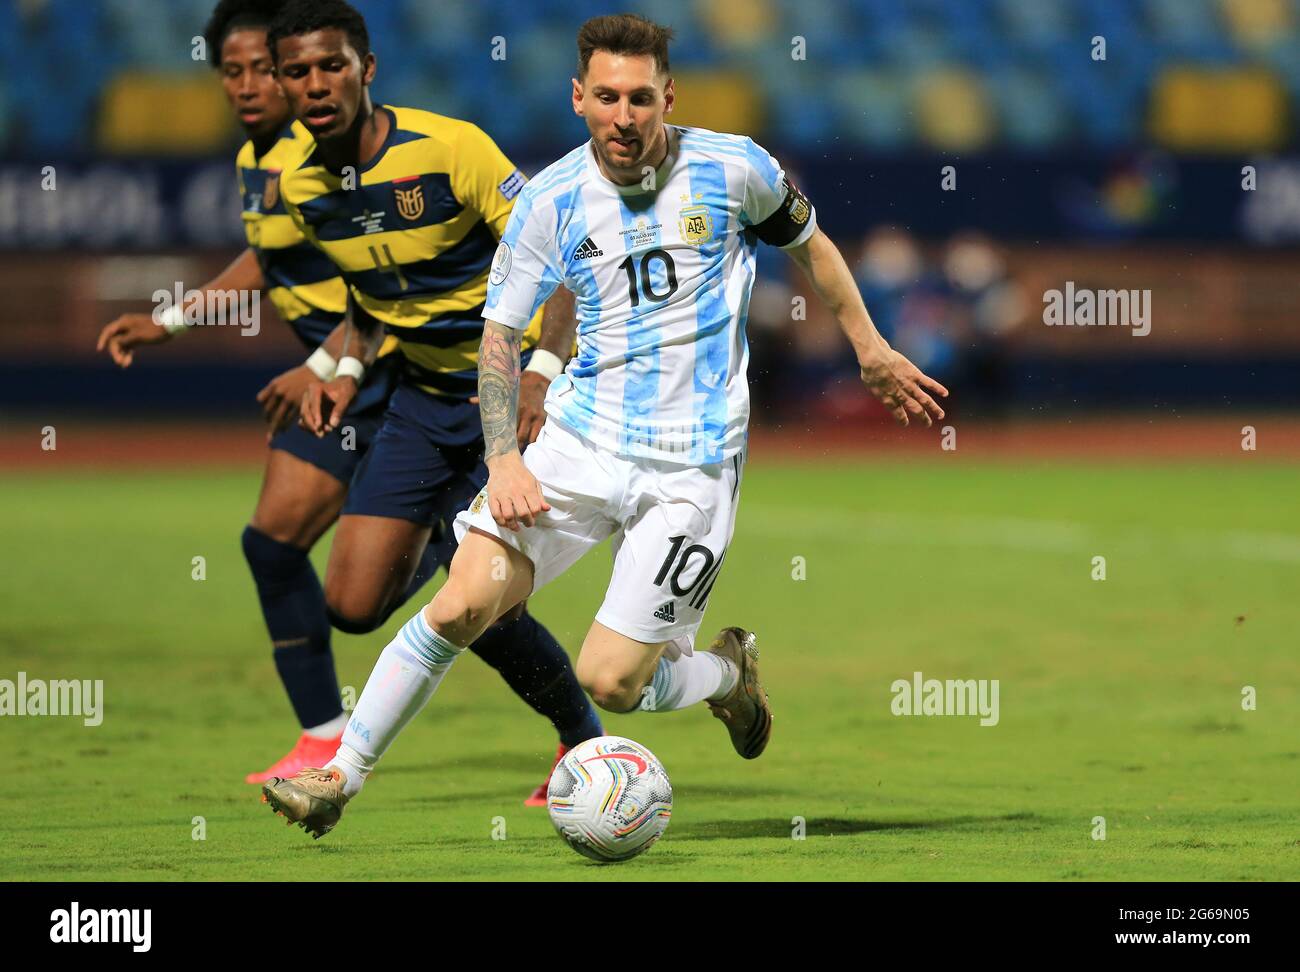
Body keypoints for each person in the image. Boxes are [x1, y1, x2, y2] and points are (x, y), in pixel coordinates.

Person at [262, 13, 946, 839]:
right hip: (581, 444)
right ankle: (340, 778)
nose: (625, 116)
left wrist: (869, 347)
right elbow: (498, 339)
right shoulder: (549, 201)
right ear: (579, 98)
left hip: (692, 465)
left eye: (643, 98)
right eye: (609, 98)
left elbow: (814, 246)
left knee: (614, 683)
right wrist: (506, 458)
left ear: (669, 97)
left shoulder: (736, 169)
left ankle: (725, 674)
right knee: (459, 605)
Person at [98, 0, 599, 801]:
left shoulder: (451, 147)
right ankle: (444, 555)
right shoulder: (298, 184)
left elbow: (565, 255)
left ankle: (584, 744)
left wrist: (540, 370)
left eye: (332, 65)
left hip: (508, 399)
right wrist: (344, 371)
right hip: (421, 397)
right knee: (353, 604)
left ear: (367, 69)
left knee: (483, 607)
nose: (313, 83)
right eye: (296, 71)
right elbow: (372, 298)